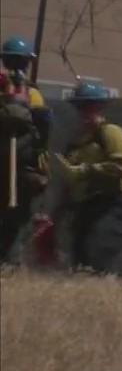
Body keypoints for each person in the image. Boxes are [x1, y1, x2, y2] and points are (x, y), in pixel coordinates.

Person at [53, 82, 122, 273]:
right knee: (80, 262)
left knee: (97, 258)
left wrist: (88, 170)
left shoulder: (110, 132)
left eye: (90, 106)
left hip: (109, 206)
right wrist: (57, 213)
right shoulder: (76, 140)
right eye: (81, 107)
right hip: (82, 209)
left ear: (100, 107)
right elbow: (68, 178)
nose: (85, 112)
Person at [0, 36, 52, 265]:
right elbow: (44, 124)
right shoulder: (33, 93)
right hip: (21, 167)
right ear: (27, 62)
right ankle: (8, 264)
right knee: (17, 218)